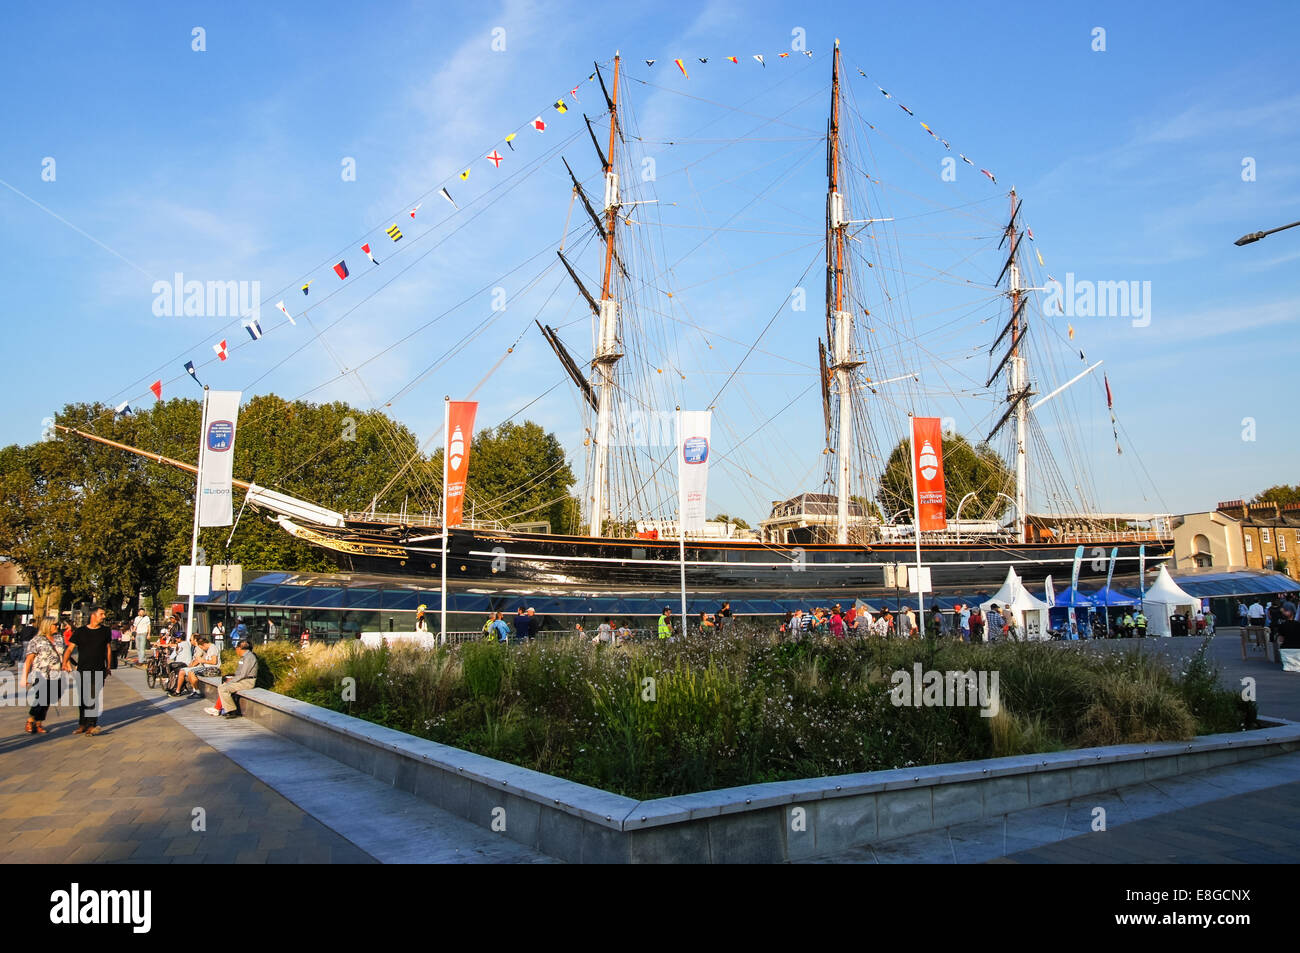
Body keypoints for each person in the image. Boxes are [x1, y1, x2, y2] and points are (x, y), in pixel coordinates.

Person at [61, 606, 113, 735]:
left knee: (93, 697)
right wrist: (64, 663)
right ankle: (82, 724)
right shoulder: (80, 631)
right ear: (93, 615)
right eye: (101, 614)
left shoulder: (105, 631)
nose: (104, 616)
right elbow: (70, 648)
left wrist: (108, 666)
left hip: (99, 669)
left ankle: (91, 725)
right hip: (82, 669)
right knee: (83, 698)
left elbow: (108, 649)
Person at [22, 619, 64, 735]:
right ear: (48, 626)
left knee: (51, 697)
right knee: (42, 697)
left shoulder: (59, 638)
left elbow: (62, 654)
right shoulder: (36, 640)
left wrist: (67, 664)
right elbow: (29, 660)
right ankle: (31, 720)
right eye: (55, 625)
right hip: (40, 673)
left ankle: (38, 722)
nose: (57, 626)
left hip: (56, 673)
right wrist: (24, 677)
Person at [209, 639, 258, 718]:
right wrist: (232, 677)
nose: (236, 650)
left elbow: (243, 674)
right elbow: (239, 673)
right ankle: (219, 708)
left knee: (224, 688)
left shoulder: (249, 657)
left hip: (247, 682)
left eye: (236, 648)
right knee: (221, 686)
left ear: (239, 648)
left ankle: (232, 711)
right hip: (243, 680)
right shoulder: (244, 657)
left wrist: (231, 681)